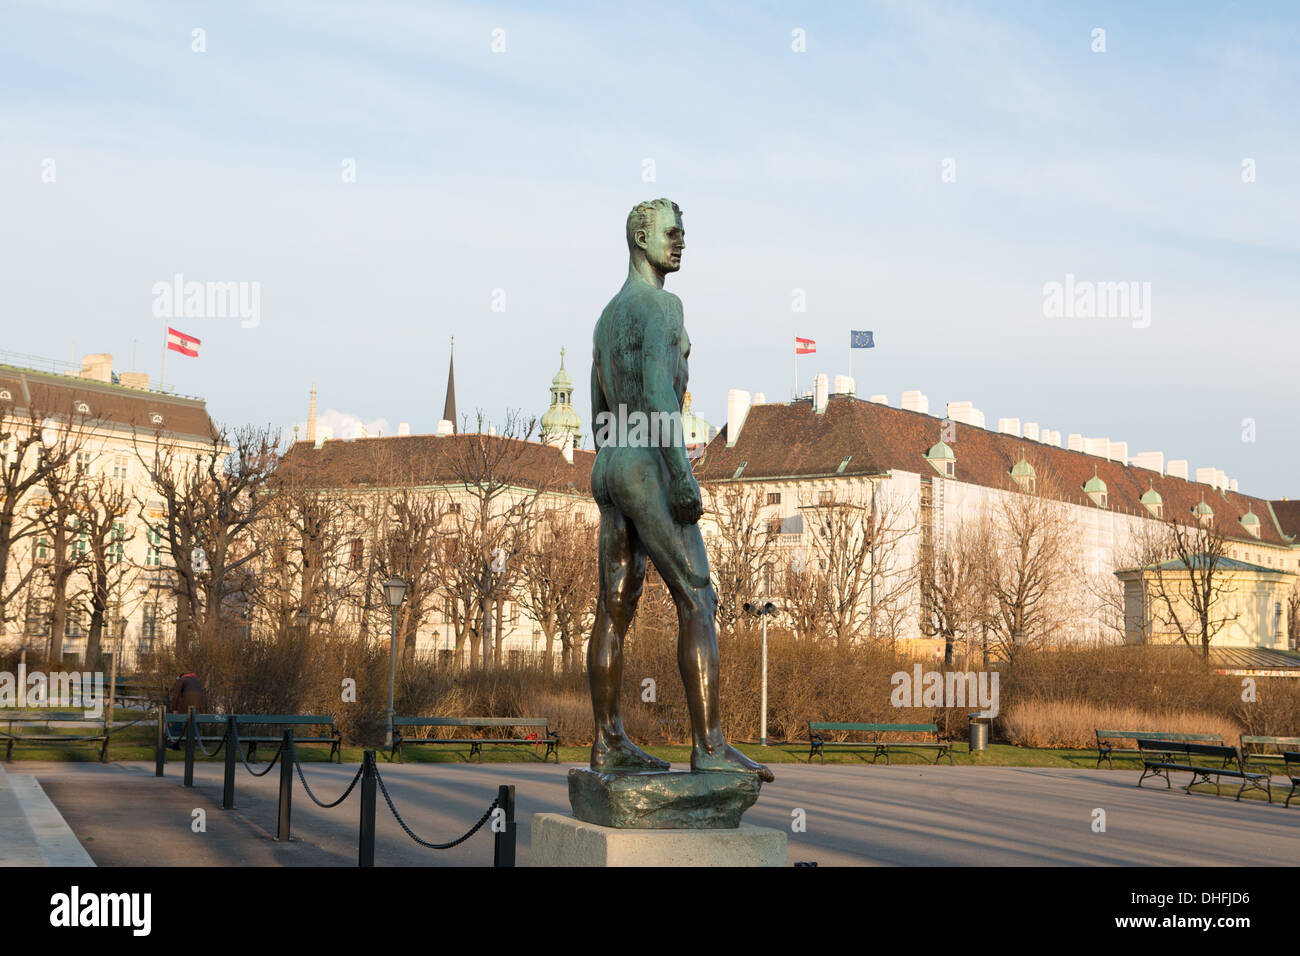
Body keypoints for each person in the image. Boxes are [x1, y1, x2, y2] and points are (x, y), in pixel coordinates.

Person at [587, 198, 773, 781]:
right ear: (641, 238)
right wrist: (680, 474)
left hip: (611, 462)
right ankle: (710, 745)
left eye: (684, 231)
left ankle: (607, 741)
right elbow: (661, 393)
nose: (682, 239)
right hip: (648, 463)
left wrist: (618, 461)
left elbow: (597, 414)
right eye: (673, 231)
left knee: (614, 609)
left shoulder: (606, 317)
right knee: (698, 597)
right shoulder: (664, 305)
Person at [167, 672, 206, 748]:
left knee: (178, 723)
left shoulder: (182, 680)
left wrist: (174, 708)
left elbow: (176, 696)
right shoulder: (197, 681)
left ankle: (173, 745)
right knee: (195, 724)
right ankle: (192, 746)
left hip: (187, 704)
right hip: (198, 706)